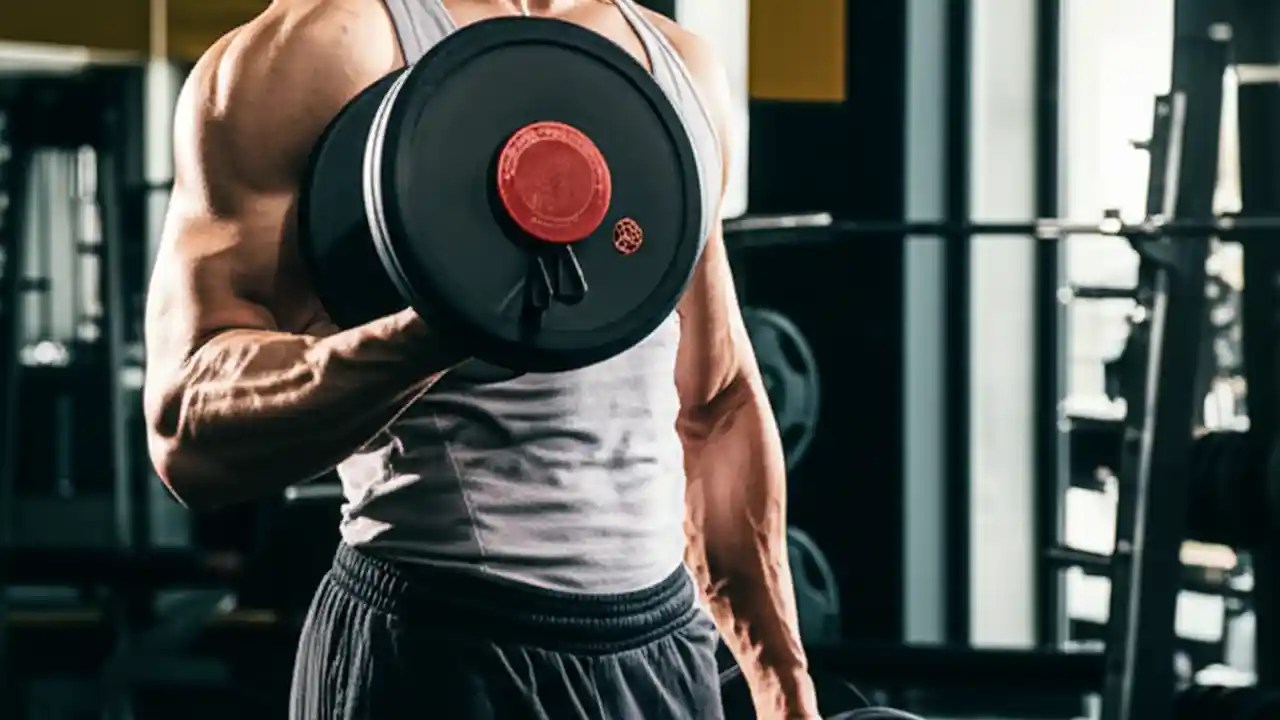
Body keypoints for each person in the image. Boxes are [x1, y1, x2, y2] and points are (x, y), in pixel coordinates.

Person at [142, 0, 820, 718]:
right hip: (437, 642)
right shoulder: (325, 48)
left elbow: (715, 406)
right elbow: (187, 426)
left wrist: (784, 689)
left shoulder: (678, 69)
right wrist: (433, 333)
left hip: (660, 652)